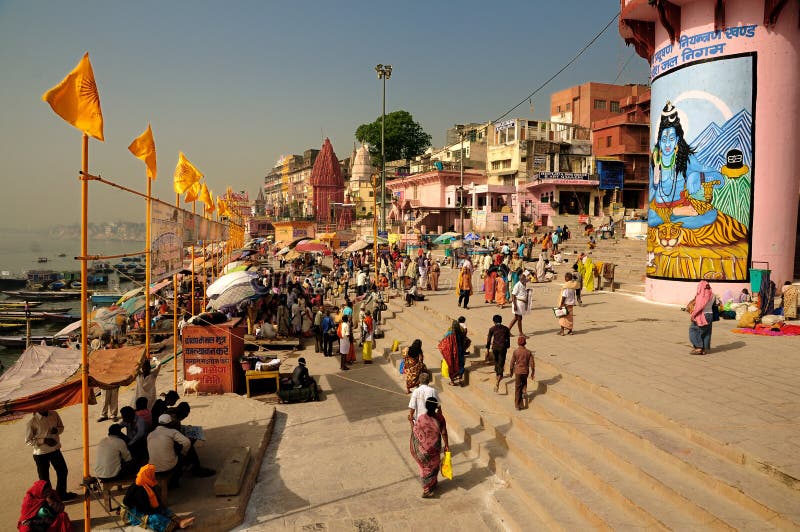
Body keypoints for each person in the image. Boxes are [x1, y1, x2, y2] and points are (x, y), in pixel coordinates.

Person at [122, 464, 195, 531]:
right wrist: (159, 511)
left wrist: (161, 508)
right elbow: (145, 510)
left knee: (165, 510)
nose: (154, 475)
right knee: (156, 518)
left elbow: (156, 501)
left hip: (144, 509)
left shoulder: (147, 483)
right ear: (147, 475)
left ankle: (180, 521)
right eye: (152, 474)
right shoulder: (138, 490)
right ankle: (176, 526)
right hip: (133, 513)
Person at [25, 411, 77, 502]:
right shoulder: (32, 422)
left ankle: (61, 494)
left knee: (62, 471)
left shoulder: (54, 414)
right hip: (41, 453)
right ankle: (49, 500)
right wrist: (43, 440)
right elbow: (28, 441)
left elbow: (61, 428)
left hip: (55, 449)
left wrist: (56, 430)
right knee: (44, 479)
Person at [409, 397, 449, 498]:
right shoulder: (440, 418)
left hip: (421, 450)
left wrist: (410, 421)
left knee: (425, 468)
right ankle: (427, 490)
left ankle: (432, 484)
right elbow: (443, 432)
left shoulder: (421, 418)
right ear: (436, 407)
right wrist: (447, 445)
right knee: (433, 467)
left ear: (426, 406)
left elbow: (414, 430)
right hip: (433, 450)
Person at [146, 414, 192, 488]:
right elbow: (187, 442)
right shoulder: (172, 431)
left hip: (154, 468)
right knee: (182, 458)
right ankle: (174, 482)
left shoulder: (150, 434)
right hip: (169, 466)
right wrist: (184, 452)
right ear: (170, 423)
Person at [508, 336, 535, 410]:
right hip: (525, 371)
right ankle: (524, 390)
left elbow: (512, 363)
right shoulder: (528, 352)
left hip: (518, 371)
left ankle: (517, 405)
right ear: (525, 343)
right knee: (524, 382)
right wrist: (533, 372)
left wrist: (511, 371)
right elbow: (532, 363)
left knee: (517, 388)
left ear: (518, 343)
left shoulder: (516, 352)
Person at [689, 280, 715, 356]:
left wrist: (693, 315)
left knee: (694, 330)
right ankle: (703, 349)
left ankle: (698, 348)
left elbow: (699, 306)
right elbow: (716, 304)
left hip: (702, 315)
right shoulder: (712, 294)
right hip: (710, 314)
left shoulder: (703, 295)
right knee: (706, 332)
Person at [486, 314, 511, 393]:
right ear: (501, 321)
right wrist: (507, 346)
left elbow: (489, 340)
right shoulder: (506, 329)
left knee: (496, 361)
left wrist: (487, 349)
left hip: (495, 348)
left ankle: (498, 376)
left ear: (494, 321)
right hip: (503, 348)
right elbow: (508, 339)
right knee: (501, 362)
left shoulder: (492, 329)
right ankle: (498, 377)